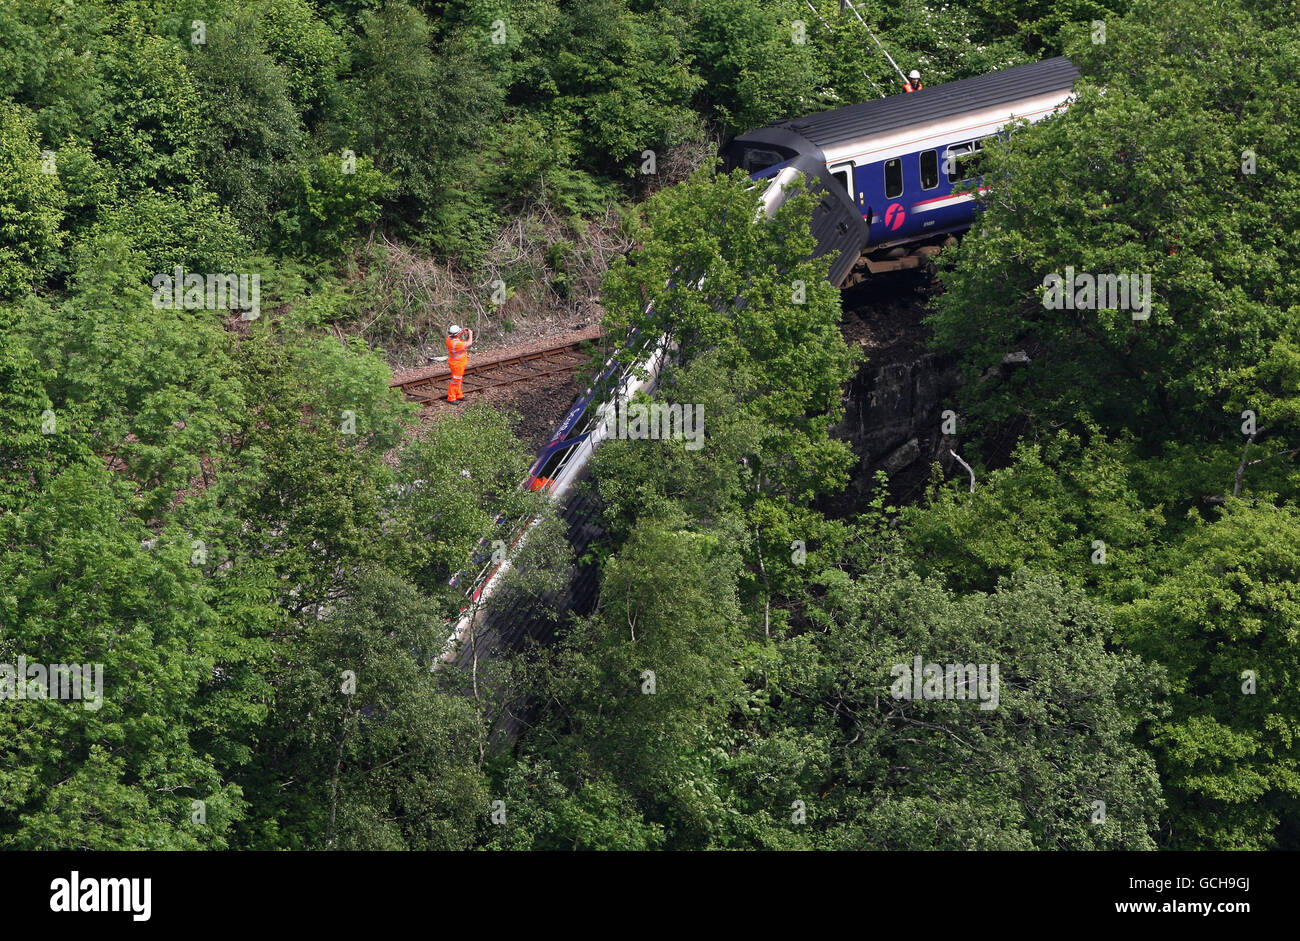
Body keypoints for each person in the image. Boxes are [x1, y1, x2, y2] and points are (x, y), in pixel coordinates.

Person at [445, 324, 473, 402]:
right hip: (458, 364)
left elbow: (456, 336)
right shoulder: (458, 344)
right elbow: (469, 343)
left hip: (455, 363)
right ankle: (451, 397)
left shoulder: (448, 339)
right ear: (456, 334)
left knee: (458, 380)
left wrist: (463, 332)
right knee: (455, 381)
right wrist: (470, 334)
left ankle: (459, 394)